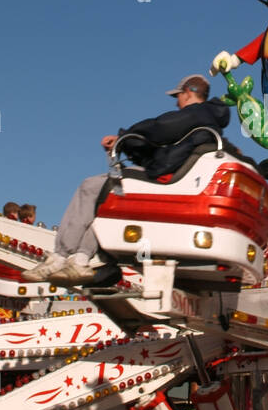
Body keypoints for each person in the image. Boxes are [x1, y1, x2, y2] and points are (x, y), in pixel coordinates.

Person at [23, 74, 231, 284]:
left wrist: (125, 137)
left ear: (188, 93)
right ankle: (81, 259)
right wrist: (133, 146)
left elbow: (160, 128)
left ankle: (59, 256)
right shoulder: (212, 123)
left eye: (178, 97)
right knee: (111, 198)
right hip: (178, 180)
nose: (177, 103)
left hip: (166, 181)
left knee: (90, 187)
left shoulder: (196, 114)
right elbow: (166, 146)